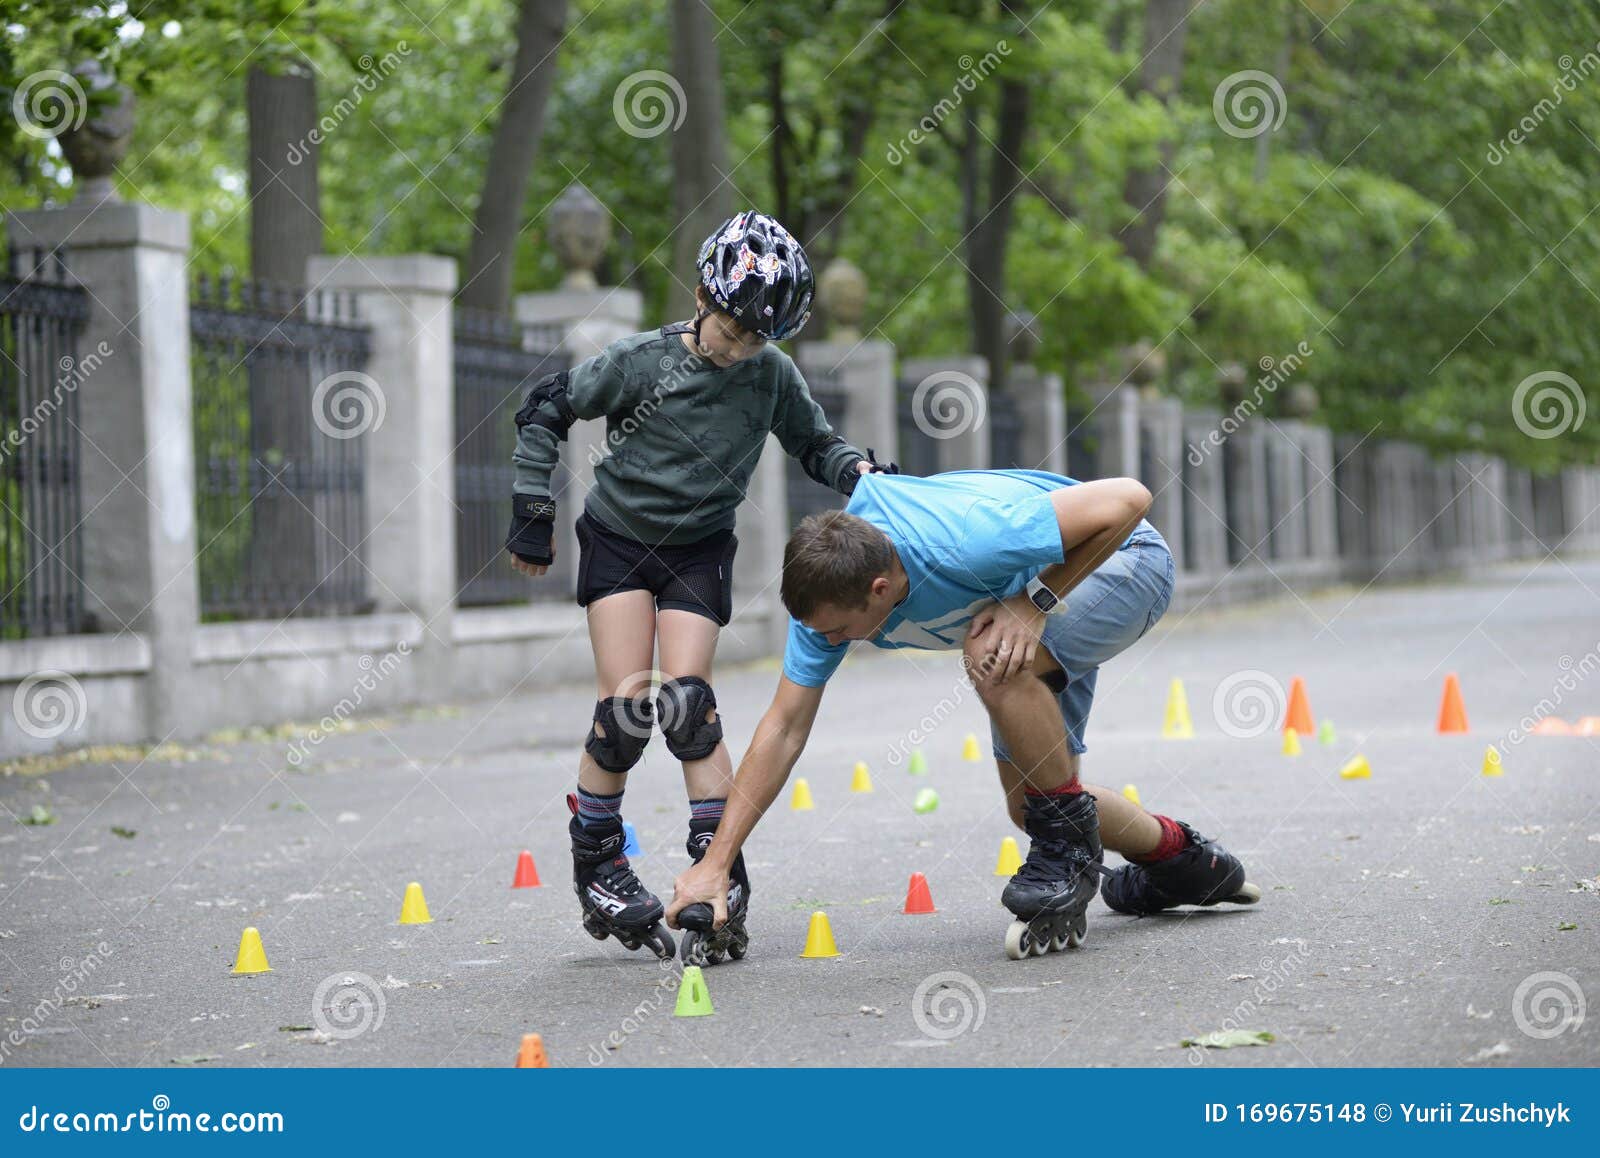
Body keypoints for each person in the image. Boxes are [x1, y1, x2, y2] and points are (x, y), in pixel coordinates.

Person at [664, 467, 1259, 961]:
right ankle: (1186, 861)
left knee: (990, 653)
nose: (833, 641)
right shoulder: (827, 599)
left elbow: (1129, 499)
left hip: (1122, 562)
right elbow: (785, 725)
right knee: (1031, 804)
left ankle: (1068, 854)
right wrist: (715, 864)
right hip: (1038, 600)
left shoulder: (967, 538)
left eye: (841, 630)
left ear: (877, 588)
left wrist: (1034, 603)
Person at [505, 210, 895, 961]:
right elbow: (546, 408)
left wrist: (859, 473)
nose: (739, 348)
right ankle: (599, 863)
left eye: (757, 338)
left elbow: (816, 444)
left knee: (689, 706)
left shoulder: (769, 375)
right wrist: (531, 506)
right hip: (618, 537)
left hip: (699, 547)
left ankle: (719, 870)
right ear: (700, 299)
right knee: (626, 711)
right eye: (731, 329)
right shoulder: (641, 362)